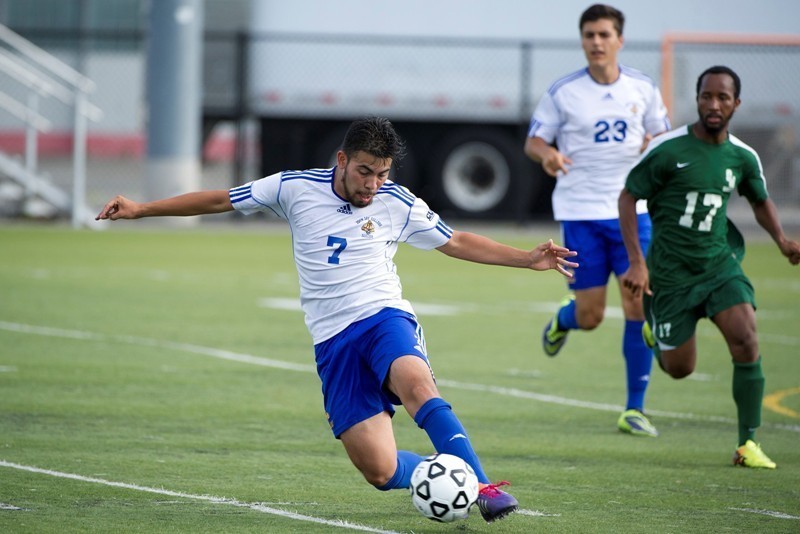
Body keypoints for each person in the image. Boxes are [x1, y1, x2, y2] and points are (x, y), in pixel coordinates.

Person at [96, 117, 579, 521]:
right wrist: (141, 209)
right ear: (342, 160)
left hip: (383, 317)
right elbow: (220, 199)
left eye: (382, 174)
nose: (373, 184)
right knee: (380, 471)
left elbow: (454, 241)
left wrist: (526, 258)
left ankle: (482, 486)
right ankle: (444, 473)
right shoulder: (292, 188)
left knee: (417, 385)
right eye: (365, 171)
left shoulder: (397, 202)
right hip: (332, 341)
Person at [618, 66, 800, 468]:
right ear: (698, 100)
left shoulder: (742, 156)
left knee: (747, 338)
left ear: (736, 104)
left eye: (723, 97)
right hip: (670, 275)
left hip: (719, 266)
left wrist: (782, 241)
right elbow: (628, 197)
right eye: (706, 96)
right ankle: (656, 335)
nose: (714, 104)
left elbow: (759, 199)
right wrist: (637, 262)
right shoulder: (668, 149)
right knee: (680, 369)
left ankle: (747, 444)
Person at [523, 4, 670, 437]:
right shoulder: (564, 91)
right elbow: (534, 140)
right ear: (582, 40)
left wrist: (655, 142)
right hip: (581, 214)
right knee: (591, 316)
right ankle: (563, 320)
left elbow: (663, 136)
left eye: (604, 34)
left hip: (632, 212)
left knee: (637, 303)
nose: (596, 42)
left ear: (619, 40)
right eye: (589, 35)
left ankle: (634, 408)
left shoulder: (642, 87)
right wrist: (547, 154)